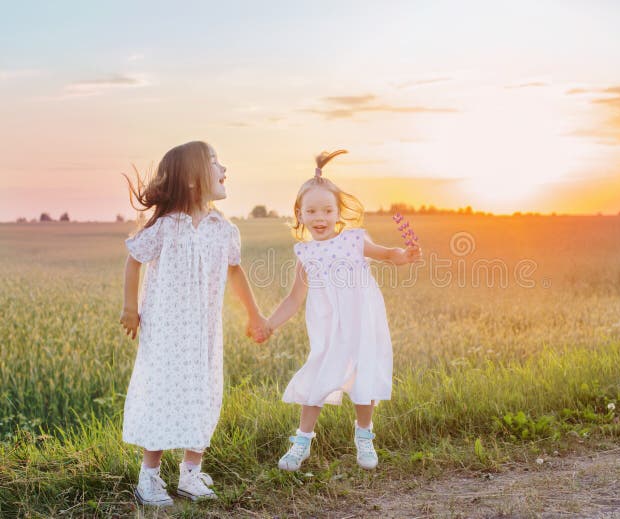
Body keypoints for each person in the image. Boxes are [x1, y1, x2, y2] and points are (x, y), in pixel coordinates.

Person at [119, 141, 268, 506]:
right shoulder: (167, 227)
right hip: (167, 331)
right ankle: (149, 477)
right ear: (191, 179)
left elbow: (236, 272)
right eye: (215, 162)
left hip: (204, 333)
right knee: (162, 395)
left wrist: (254, 314)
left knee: (204, 394)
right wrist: (129, 307)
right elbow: (134, 259)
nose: (224, 168)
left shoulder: (224, 229)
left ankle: (190, 473)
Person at [263, 150, 420, 472]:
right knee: (317, 373)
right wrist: (269, 324)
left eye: (327, 210)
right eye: (311, 210)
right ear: (300, 214)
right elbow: (294, 298)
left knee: (364, 376)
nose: (319, 217)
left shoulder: (353, 240)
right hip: (328, 326)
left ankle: (364, 436)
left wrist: (404, 254)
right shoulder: (305, 252)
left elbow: (388, 254)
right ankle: (302, 441)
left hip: (362, 321)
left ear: (338, 213)